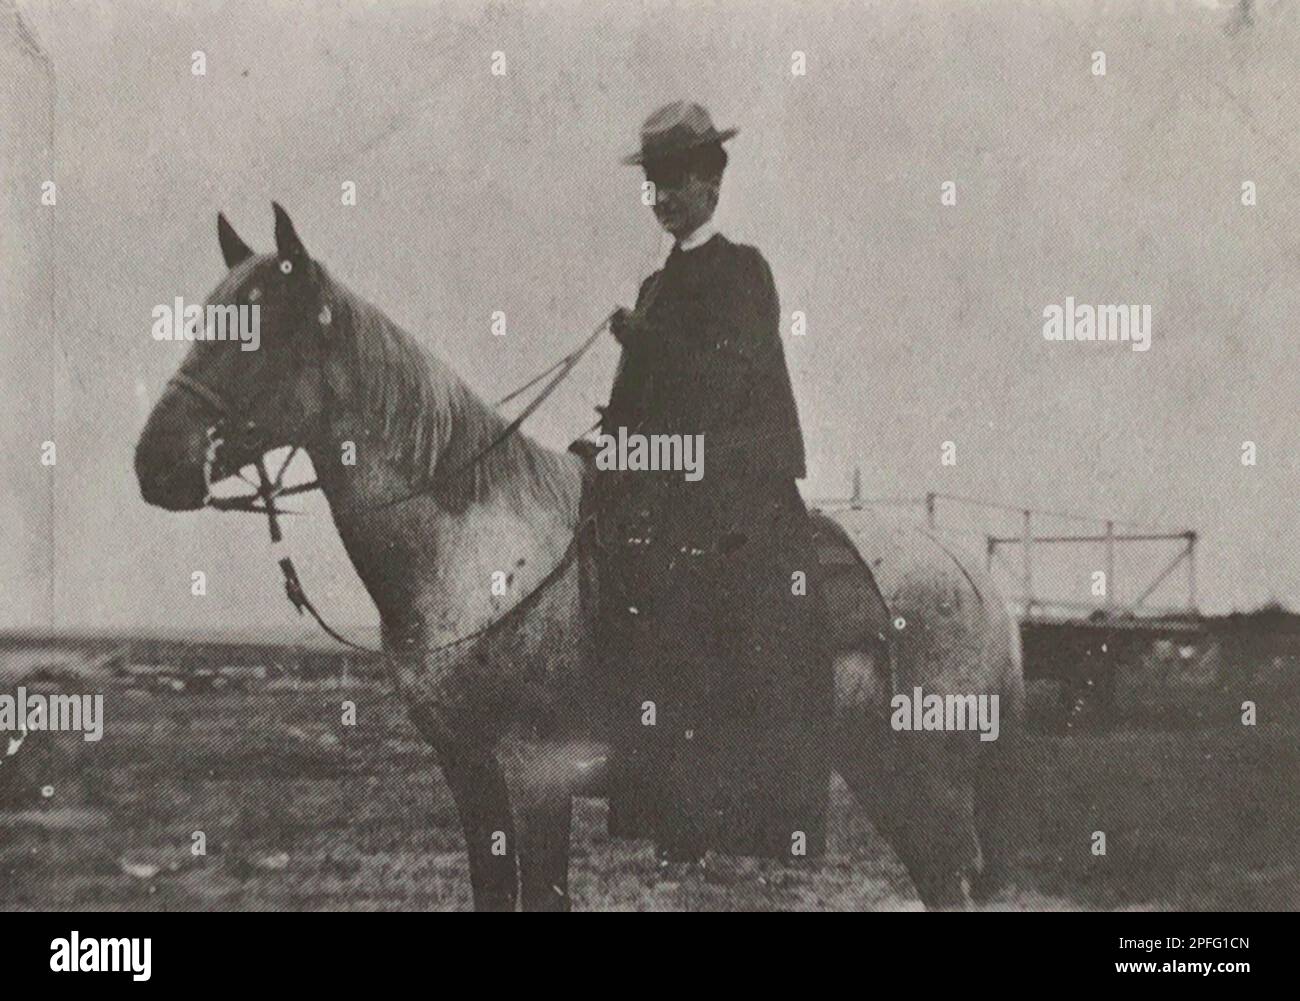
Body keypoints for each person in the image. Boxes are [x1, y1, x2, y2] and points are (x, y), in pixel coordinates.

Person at [595, 100, 831, 867]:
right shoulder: (654, 287)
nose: (664, 195)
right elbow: (640, 402)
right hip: (668, 485)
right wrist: (608, 442)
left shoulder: (741, 270)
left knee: (736, 620)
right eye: (655, 182)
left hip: (736, 483)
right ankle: (660, 800)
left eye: (678, 179)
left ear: (713, 183)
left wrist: (646, 338)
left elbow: (728, 377)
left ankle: (752, 813)